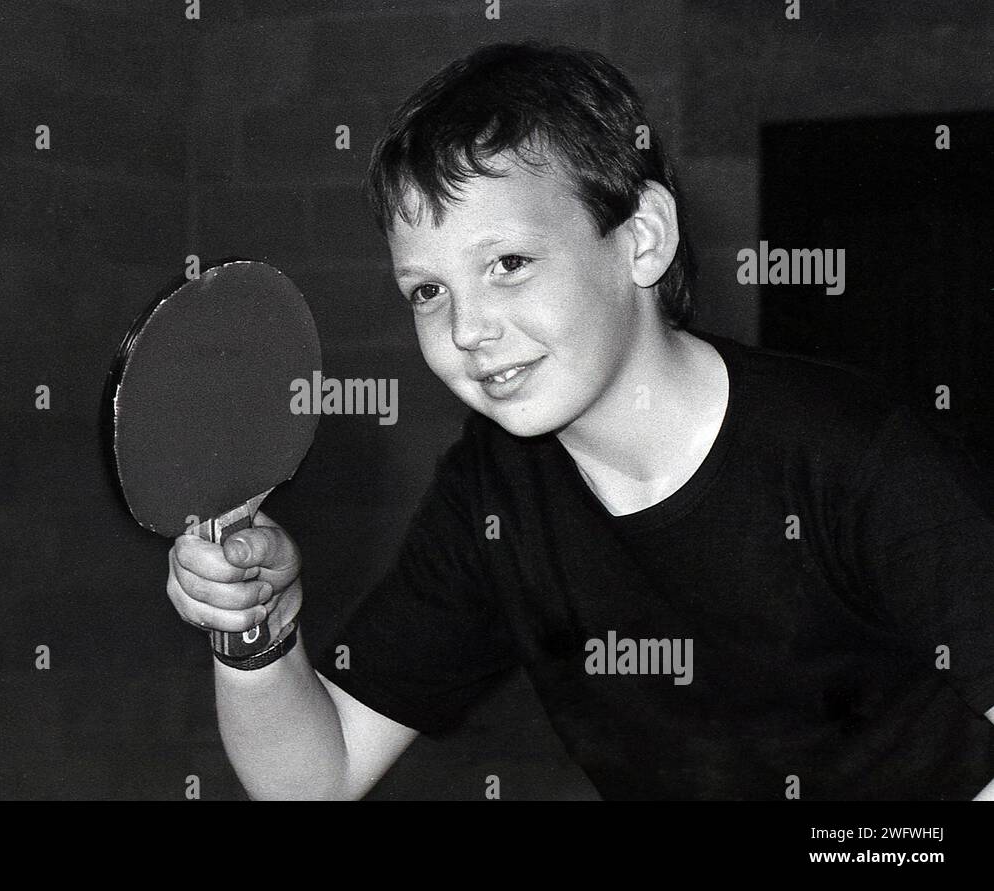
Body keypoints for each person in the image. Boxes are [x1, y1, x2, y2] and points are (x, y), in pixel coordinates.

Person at [164, 42, 994, 800]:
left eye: (509, 264)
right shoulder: (494, 493)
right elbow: (315, 776)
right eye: (428, 290)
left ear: (641, 240)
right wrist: (256, 637)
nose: (465, 329)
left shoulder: (857, 457)